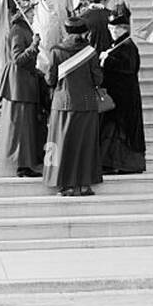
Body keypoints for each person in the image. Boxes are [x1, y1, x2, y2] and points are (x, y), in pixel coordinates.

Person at [43, 14, 103, 197]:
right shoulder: (90, 52)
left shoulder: (56, 51)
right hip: (86, 104)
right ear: (83, 32)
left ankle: (66, 185)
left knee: (63, 145)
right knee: (86, 145)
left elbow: (50, 79)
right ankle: (84, 185)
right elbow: (98, 79)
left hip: (63, 104)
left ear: (66, 30)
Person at [0, 1, 47, 178]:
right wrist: (34, 46)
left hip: (24, 81)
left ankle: (26, 162)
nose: (33, 15)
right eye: (31, 12)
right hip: (19, 84)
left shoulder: (23, 28)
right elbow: (18, 58)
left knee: (25, 125)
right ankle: (22, 164)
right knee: (22, 126)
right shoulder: (18, 30)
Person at [98, 7, 145, 174]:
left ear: (123, 29)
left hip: (124, 97)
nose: (112, 32)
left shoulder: (128, 46)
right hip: (117, 95)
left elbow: (129, 67)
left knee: (121, 133)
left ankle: (123, 163)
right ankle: (111, 162)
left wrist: (108, 60)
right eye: (110, 29)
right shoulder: (119, 45)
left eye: (115, 29)